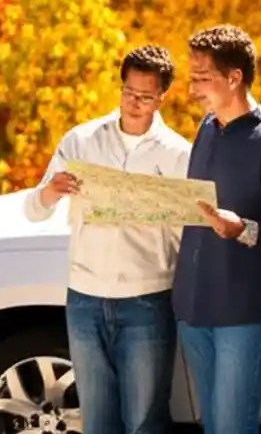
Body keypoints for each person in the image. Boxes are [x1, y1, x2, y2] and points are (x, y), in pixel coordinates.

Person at [23, 45, 192, 434]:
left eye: (145, 97)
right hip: (85, 300)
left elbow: (189, 235)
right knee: (97, 422)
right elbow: (35, 209)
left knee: (145, 422)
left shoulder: (179, 155)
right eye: (128, 92)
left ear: (162, 98)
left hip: (147, 302)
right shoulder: (81, 141)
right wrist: (51, 191)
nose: (134, 103)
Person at [172, 24, 261, 434]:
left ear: (234, 78)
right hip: (195, 308)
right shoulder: (206, 129)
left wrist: (243, 228)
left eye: (202, 79)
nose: (193, 89)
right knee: (213, 424)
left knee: (232, 427)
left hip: (244, 313)